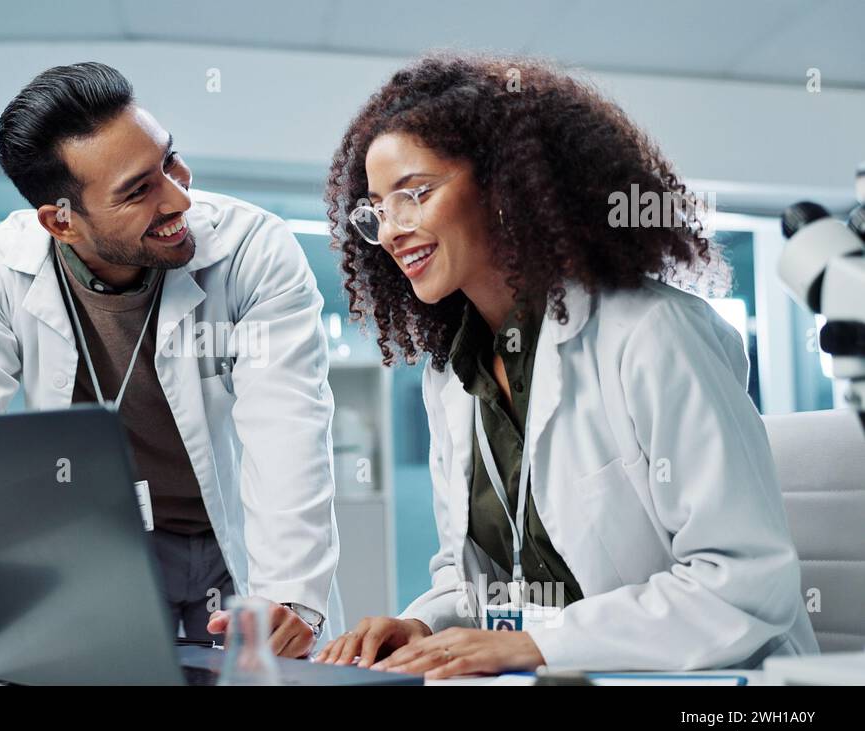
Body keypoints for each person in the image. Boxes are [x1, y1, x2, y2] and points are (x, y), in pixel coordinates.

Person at [316, 52, 818, 677]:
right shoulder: (452, 378)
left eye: (414, 194)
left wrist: (539, 642)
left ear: (505, 186)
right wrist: (426, 624)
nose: (392, 229)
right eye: (376, 210)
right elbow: (486, 582)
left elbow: (743, 584)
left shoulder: (650, 335)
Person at [0, 62, 341, 658]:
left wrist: (289, 596)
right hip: (109, 551)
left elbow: (288, 428)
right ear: (60, 221)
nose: (179, 197)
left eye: (169, 160)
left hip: (242, 543)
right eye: (139, 189)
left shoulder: (252, 250)